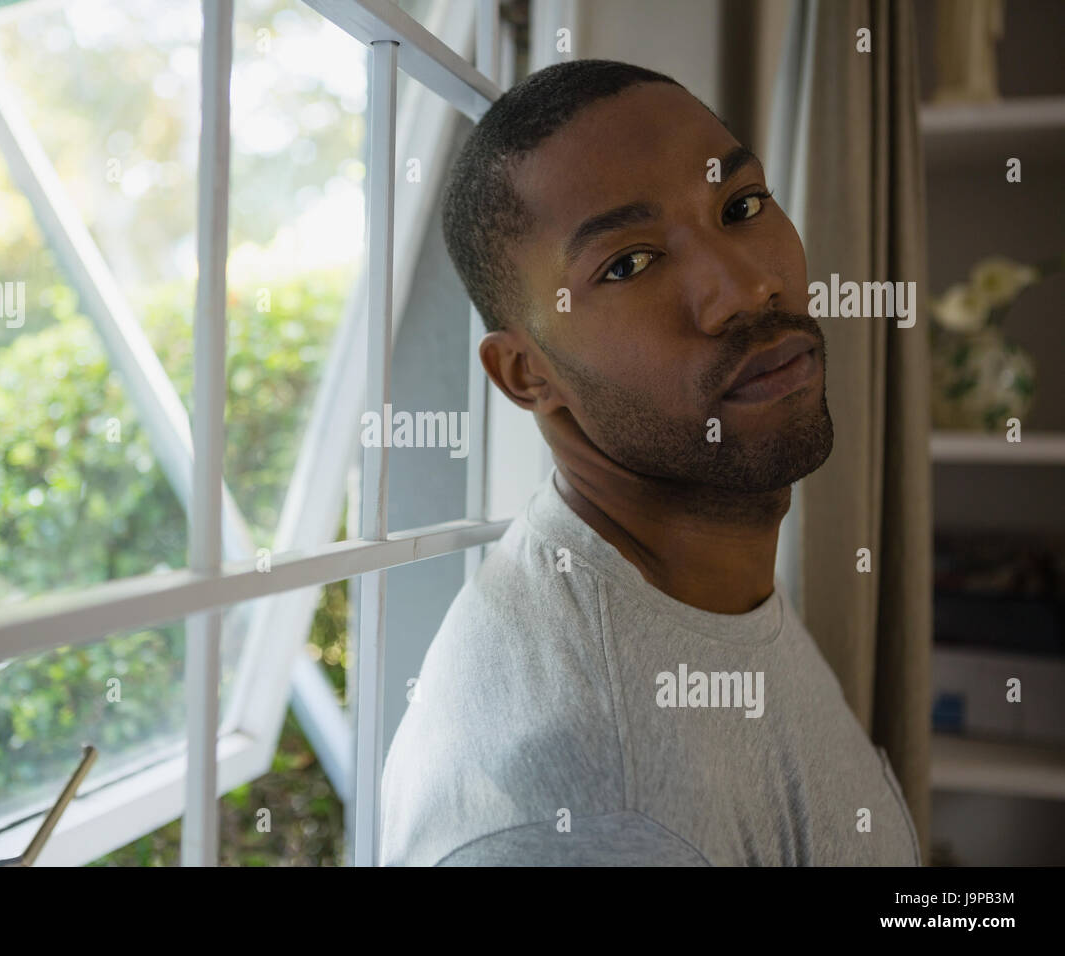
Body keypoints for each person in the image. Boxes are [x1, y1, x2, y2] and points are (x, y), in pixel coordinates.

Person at [379, 59, 921, 866]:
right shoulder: (590, 809)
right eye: (627, 264)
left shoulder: (703, 574)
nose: (745, 287)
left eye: (740, 207)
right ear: (528, 373)